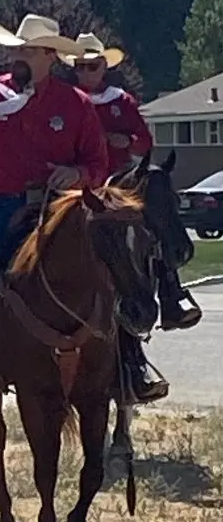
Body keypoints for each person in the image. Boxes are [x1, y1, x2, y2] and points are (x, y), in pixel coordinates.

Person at [0, 14, 108, 418]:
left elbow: (98, 162)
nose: (19, 57)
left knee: (113, 266)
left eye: (28, 50)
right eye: (16, 50)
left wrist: (78, 174)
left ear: (49, 56)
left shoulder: (75, 105)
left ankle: (126, 368)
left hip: (60, 205)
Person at [68, 32, 201, 339]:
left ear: (104, 67)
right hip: (81, 182)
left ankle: (170, 291)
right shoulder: (68, 101)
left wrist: (126, 140)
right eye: (80, 67)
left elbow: (144, 140)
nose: (86, 72)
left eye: (93, 66)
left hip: (119, 179)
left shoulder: (120, 101)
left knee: (154, 192)